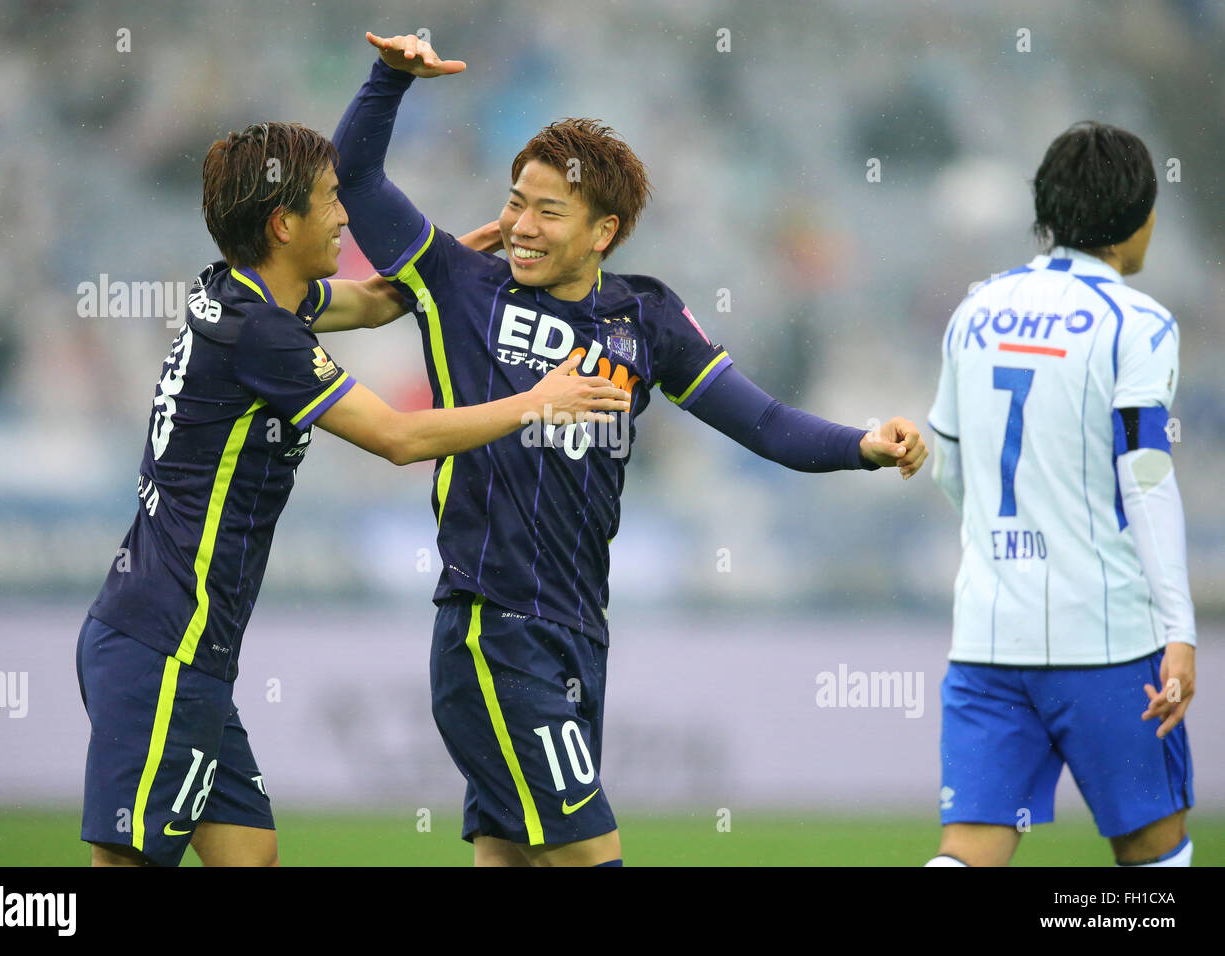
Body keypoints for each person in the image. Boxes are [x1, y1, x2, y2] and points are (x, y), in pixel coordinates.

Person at [334, 32, 928, 867]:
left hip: (579, 631)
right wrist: (388, 80)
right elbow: (354, 180)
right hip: (493, 627)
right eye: (516, 202)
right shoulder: (460, 285)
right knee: (592, 857)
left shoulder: (646, 319)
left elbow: (762, 423)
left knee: (511, 858)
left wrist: (862, 443)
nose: (520, 227)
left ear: (604, 229)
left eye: (548, 210)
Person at [77, 120, 630, 866]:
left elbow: (375, 300)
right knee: (129, 861)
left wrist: (465, 257)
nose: (345, 216)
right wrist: (538, 400)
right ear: (283, 223)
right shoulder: (261, 336)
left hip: (181, 642)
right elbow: (399, 437)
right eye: (332, 201)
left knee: (252, 855)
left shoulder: (237, 293)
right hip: (161, 640)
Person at [925, 121, 1195, 867]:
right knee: (1153, 845)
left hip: (987, 633)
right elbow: (1144, 474)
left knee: (971, 846)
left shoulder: (975, 309)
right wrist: (1181, 627)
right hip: (1104, 634)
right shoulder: (1137, 321)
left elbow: (951, 464)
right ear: (1138, 217)